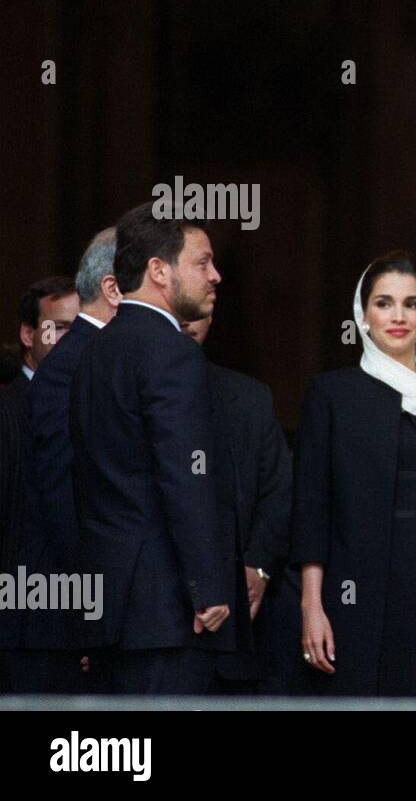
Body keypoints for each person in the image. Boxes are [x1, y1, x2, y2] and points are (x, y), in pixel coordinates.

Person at [292, 251, 416, 703]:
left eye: (412, 304)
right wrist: (311, 607)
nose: (398, 317)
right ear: (363, 314)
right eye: (384, 303)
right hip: (354, 591)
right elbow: (312, 510)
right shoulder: (333, 393)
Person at [69, 203, 234, 694]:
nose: (215, 276)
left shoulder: (93, 349)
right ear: (159, 271)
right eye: (202, 262)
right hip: (164, 608)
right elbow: (184, 474)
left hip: (106, 607)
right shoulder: (172, 350)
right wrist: (206, 587)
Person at [10, 230, 119, 694]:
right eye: (59, 327)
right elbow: (58, 500)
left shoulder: (92, 378)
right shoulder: (43, 388)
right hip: (43, 614)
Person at [181, 314, 292, 694]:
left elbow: (279, 490)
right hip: (152, 626)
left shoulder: (249, 397)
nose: (186, 320)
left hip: (238, 629)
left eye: (196, 310)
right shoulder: (123, 389)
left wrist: (258, 567)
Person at [0, 275, 79, 691]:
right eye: (59, 327)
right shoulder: (7, 412)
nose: (72, 340)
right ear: (28, 335)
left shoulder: (92, 407)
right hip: (21, 624)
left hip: (81, 619)